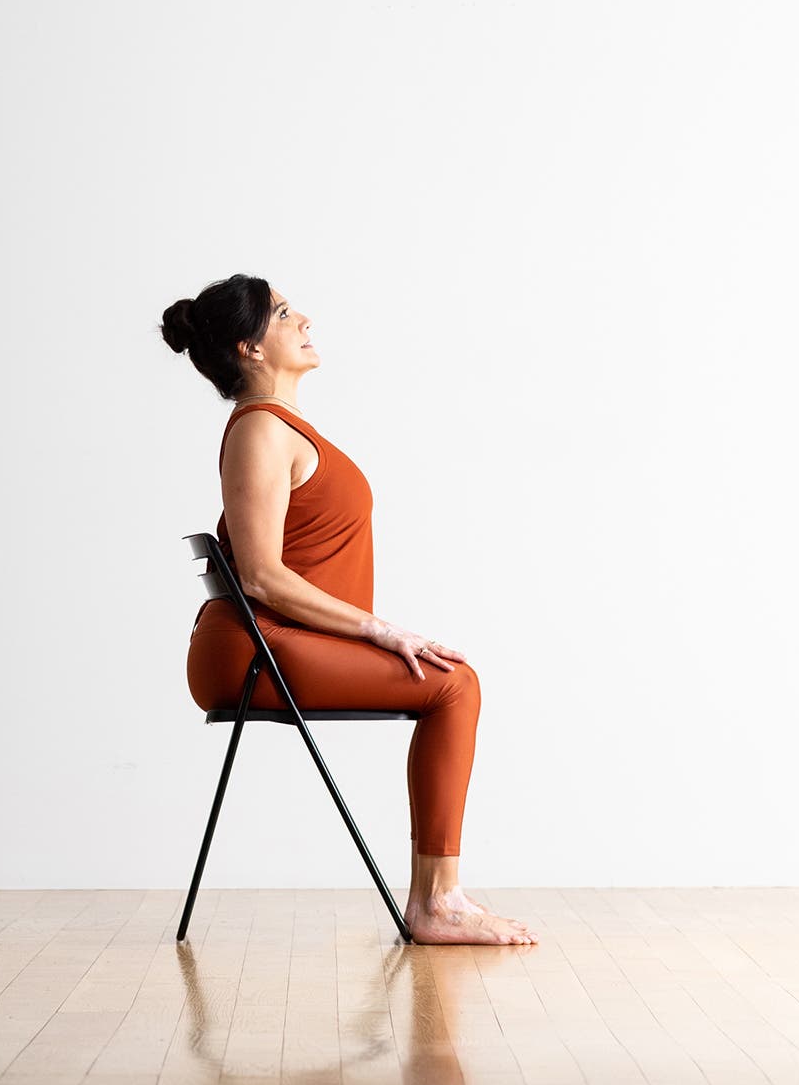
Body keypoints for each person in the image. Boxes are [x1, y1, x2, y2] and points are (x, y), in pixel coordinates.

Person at [159, 273, 537, 946]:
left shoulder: (282, 429)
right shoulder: (259, 432)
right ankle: (436, 903)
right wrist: (380, 628)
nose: (302, 317)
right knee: (453, 683)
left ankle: (435, 899)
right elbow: (263, 576)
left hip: (278, 639)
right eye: (281, 312)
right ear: (249, 347)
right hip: (255, 646)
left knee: (450, 679)